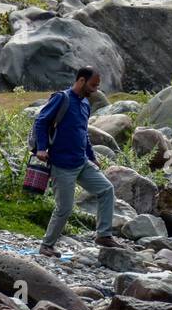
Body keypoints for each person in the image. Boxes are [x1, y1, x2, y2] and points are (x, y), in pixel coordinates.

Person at [33, 67, 117, 257]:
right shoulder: (61, 99)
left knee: (106, 190)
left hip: (82, 162)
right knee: (65, 208)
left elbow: (83, 133)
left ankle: (104, 235)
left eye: (97, 86)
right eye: (93, 85)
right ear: (81, 81)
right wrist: (41, 148)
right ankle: (46, 245)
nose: (95, 89)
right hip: (61, 165)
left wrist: (92, 156)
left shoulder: (85, 103)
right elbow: (41, 122)